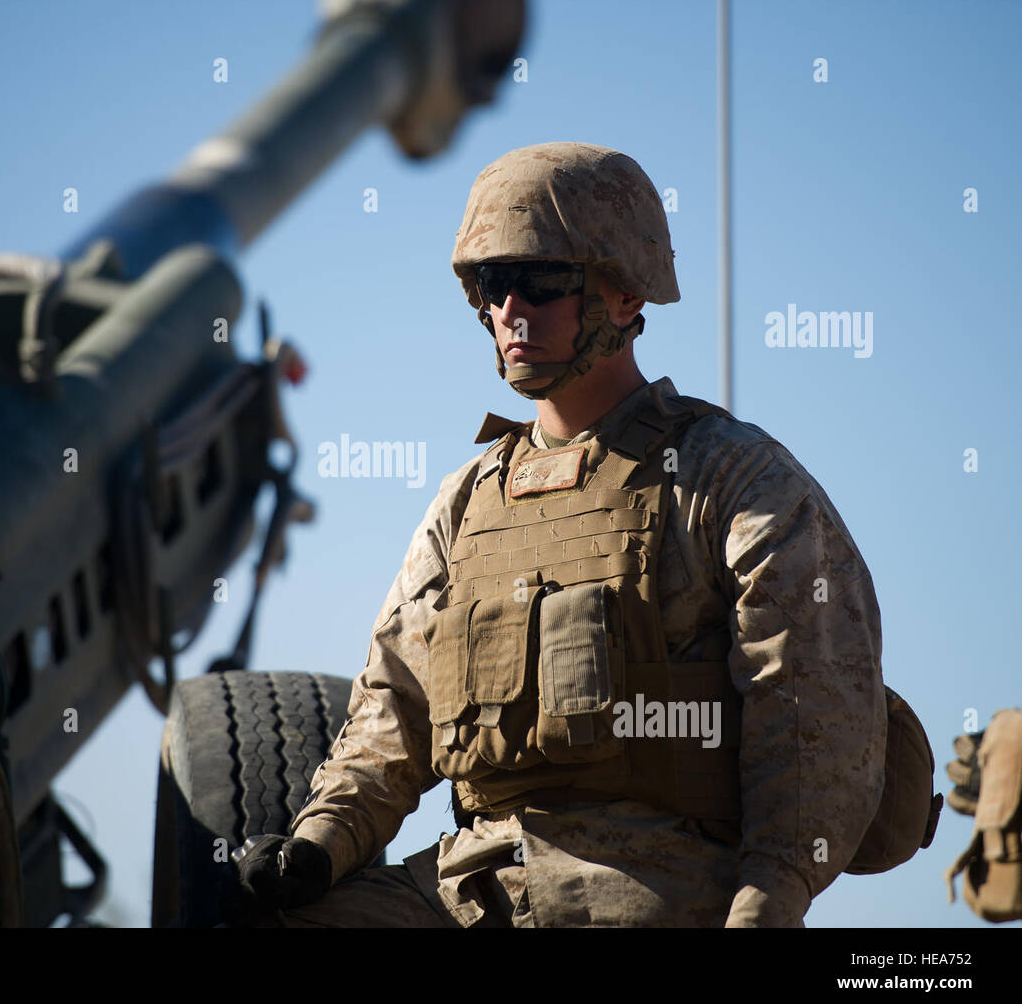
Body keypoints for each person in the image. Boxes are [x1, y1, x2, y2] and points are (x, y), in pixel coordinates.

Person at [223, 142, 887, 928]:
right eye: (491, 284)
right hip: (472, 884)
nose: (510, 310)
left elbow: (813, 713)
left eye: (540, 282)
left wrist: (768, 899)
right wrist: (320, 845)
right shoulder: (466, 502)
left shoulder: (729, 479)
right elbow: (393, 708)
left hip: (659, 879)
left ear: (625, 291)